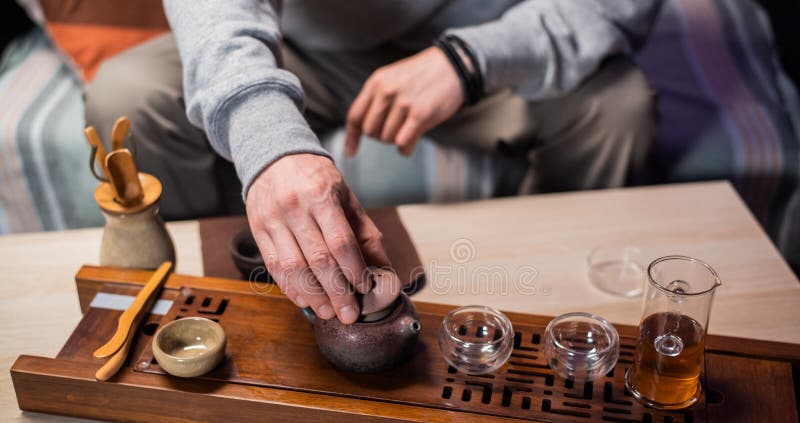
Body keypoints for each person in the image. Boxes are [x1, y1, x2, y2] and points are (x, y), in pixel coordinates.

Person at [85, 0, 661, 325]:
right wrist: (268, 138)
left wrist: (469, 60)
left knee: (621, 107)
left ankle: (560, 323)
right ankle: (230, 298)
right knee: (127, 95)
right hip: (300, 45)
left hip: (491, 39)